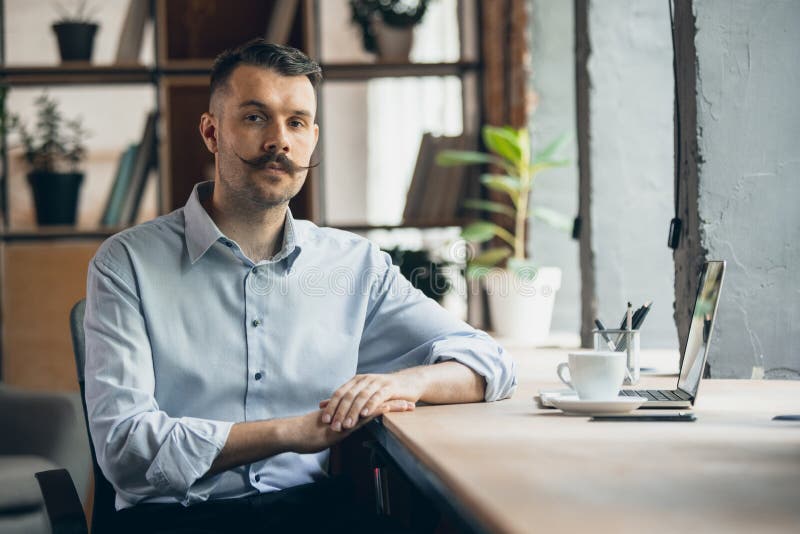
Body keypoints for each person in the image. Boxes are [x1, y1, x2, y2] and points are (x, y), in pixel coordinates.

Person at [84, 39, 516, 533]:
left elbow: (490, 363)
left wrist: (401, 382)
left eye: (295, 123)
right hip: (174, 519)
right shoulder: (125, 263)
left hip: (311, 512)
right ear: (211, 133)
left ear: (313, 137)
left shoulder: (354, 265)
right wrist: (291, 432)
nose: (278, 141)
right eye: (254, 118)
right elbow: (124, 450)